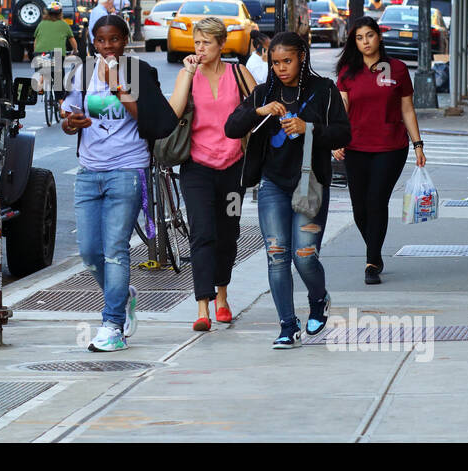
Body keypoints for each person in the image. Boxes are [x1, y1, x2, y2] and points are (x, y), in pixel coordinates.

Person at [226, 31, 351, 347]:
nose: (281, 67)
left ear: (302, 58)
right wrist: (259, 111)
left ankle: (318, 299)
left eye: (287, 61)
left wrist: (308, 128)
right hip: (273, 186)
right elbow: (231, 128)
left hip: (310, 186)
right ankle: (286, 325)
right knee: (277, 254)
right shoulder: (263, 93)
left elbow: (342, 134)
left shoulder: (323, 90)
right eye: (275, 61)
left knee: (304, 256)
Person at [62, 15, 175, 352]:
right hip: (89, 172)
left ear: (126, 40)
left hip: (127, 170)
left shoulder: (138, 71)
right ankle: (123, 296)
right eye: (101, 40)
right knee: (90, 253)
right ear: (93, 42)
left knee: (115, 250)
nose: (107, 46)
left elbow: (154, 120)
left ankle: (112, 325)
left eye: (114, 39)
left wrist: (118, 86)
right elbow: (69, 119)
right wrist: (73, 122)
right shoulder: (81, 72)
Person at [169, 17, 257, 331]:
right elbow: (175, 112)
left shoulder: (239, 73)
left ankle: (223, 296)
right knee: (202, 232)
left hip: (234, 168)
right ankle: (203, 306)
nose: (200, 49)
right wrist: (189, 72)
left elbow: (258, 113)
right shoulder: (187, 74)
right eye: (197, 43)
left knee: (229, 232)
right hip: (197, 168)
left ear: (222, 45)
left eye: (207, 43)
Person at [333, 17, 426, 285]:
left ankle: (372, 261)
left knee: (376, 201)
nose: (365, 42)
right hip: (356, 146)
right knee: (359, 209)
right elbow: (343, 109)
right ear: (355, 42)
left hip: (391, 146)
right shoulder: (348, 72)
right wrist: (337, 140)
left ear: (379, 37)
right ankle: (374, 248)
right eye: (360, 38)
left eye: (370, 35)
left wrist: (418, 144)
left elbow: (407, 108)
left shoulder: (396, 69)